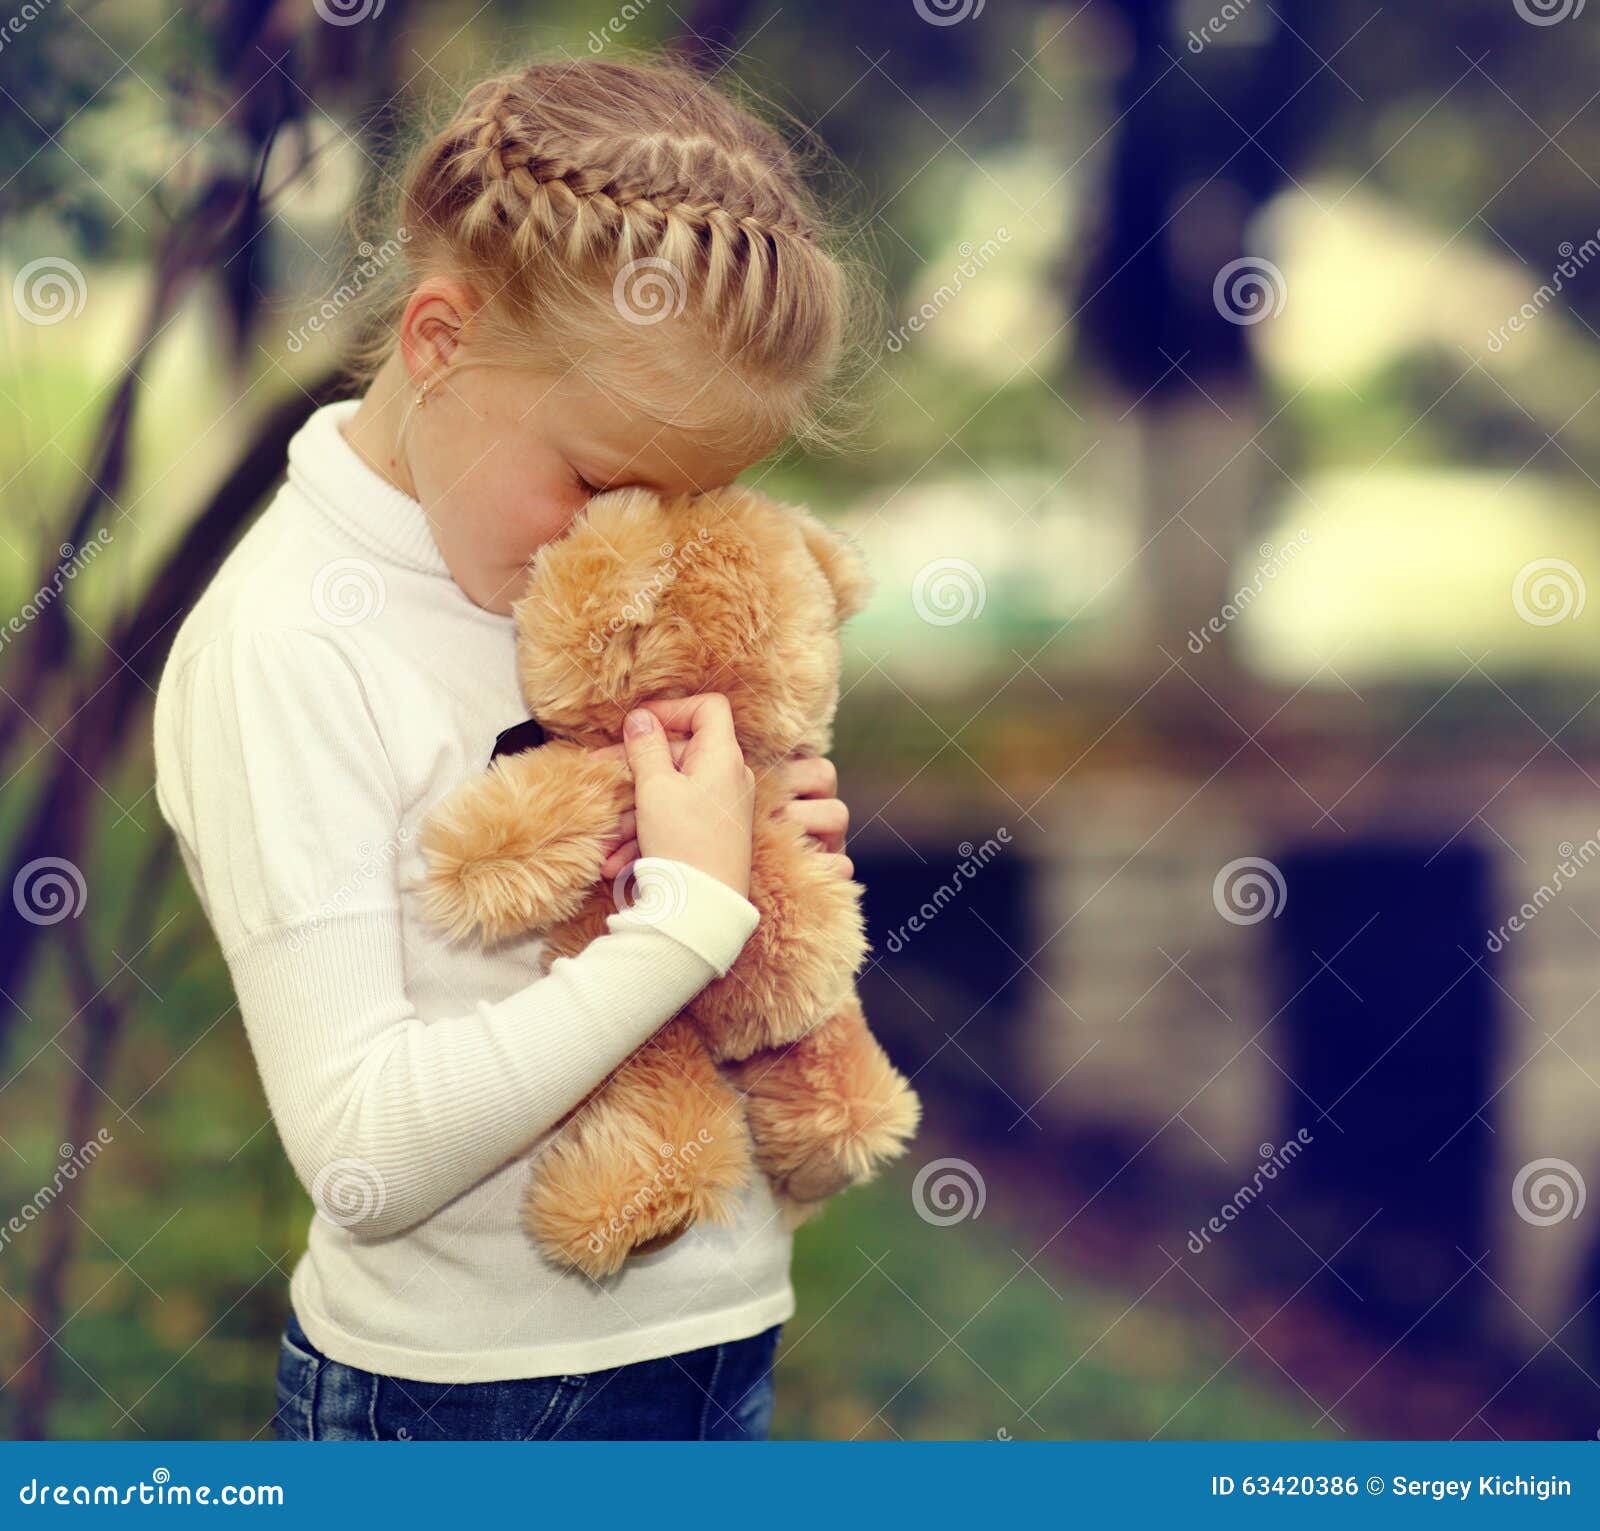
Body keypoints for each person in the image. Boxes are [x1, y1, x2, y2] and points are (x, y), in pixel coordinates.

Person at [150, 50, 868, 1441]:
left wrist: (758, 860)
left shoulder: (539, 553)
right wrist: (688, 916)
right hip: (463, 1406)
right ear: (438, 342)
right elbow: (361, 1152)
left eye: (699, 492)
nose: (632, 542)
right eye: (601, 480)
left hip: (714, 1341)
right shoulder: (287, 646)